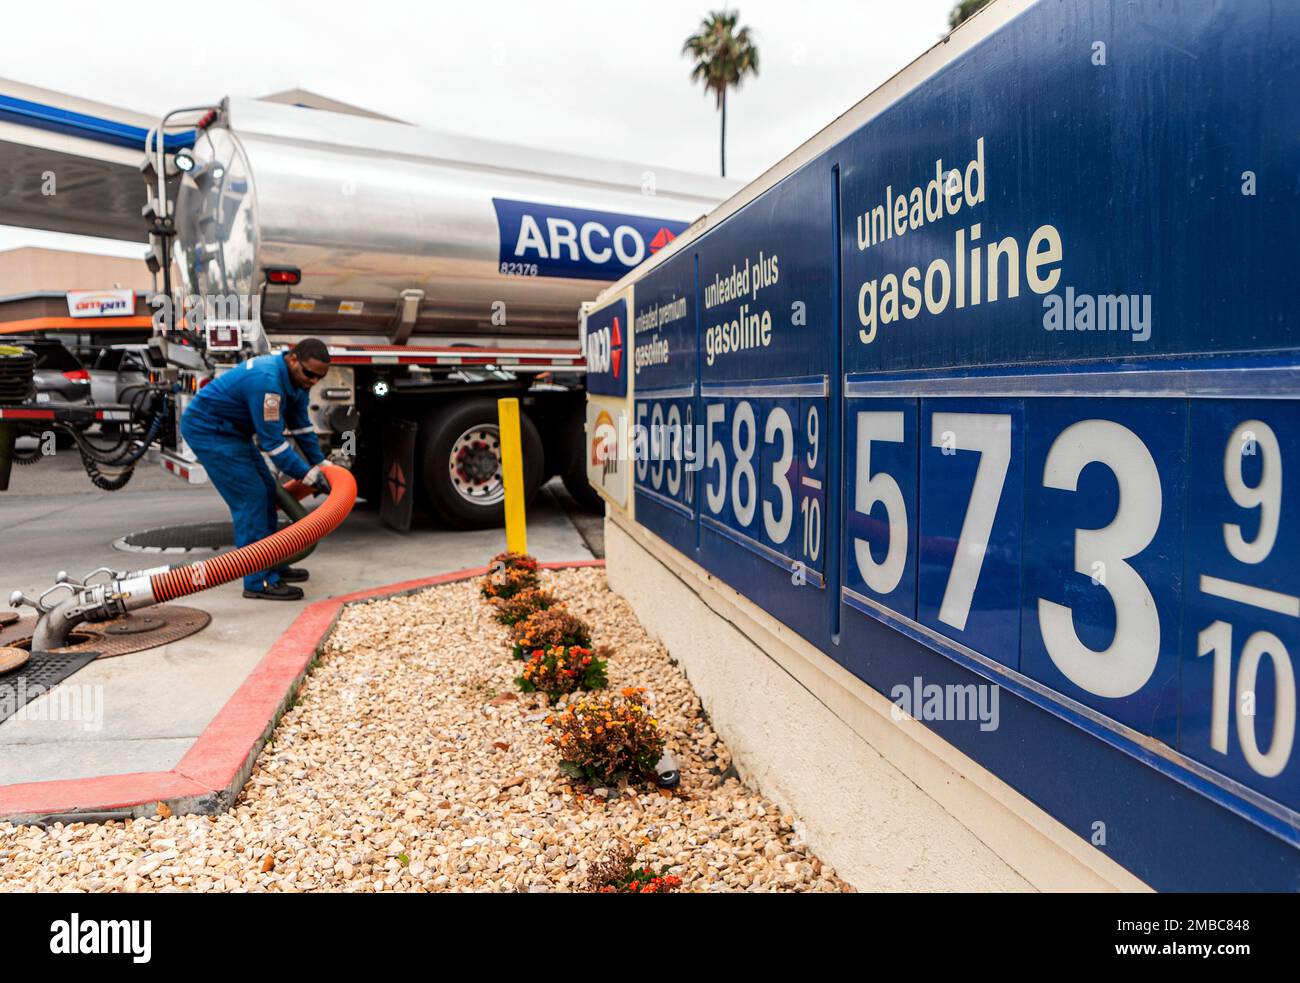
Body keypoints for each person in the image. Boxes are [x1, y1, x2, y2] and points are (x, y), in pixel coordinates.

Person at [180, 338, 333, 600]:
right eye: (310, 374)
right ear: (293, 359)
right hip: (210, 431)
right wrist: (307, 476)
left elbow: (301, 427)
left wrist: (321, 462)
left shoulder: (296, 380)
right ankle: (258, 581)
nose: (313, 382)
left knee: (267, 493)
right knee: (251, 498)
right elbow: (273, 444)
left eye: (319, 377)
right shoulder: (268, 383)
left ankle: (273, 563)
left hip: (234, 433)